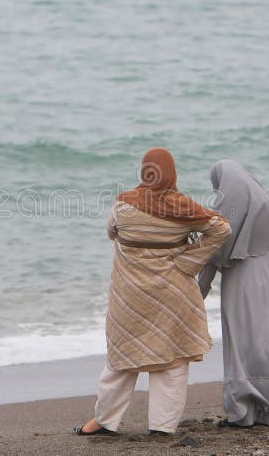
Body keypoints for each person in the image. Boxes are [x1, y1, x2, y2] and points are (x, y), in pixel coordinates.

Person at [75, 148, 231, 436]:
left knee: (121, 358)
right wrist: (189, 260)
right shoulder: (184, 208)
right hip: (172, 295)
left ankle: (104, 421)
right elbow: (221, 229)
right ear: (172, 173)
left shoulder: (123, 205)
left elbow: (111, 232)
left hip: (129, 296)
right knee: (171, 360)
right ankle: (162, 426)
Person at [197, 160, 269, 427]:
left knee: (241, 342)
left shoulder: (226, 210)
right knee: (267, 339)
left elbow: (213, 254)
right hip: (266, 276)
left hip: (239, 280)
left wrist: (198, 292)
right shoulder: (264, 203)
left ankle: (242, 413)